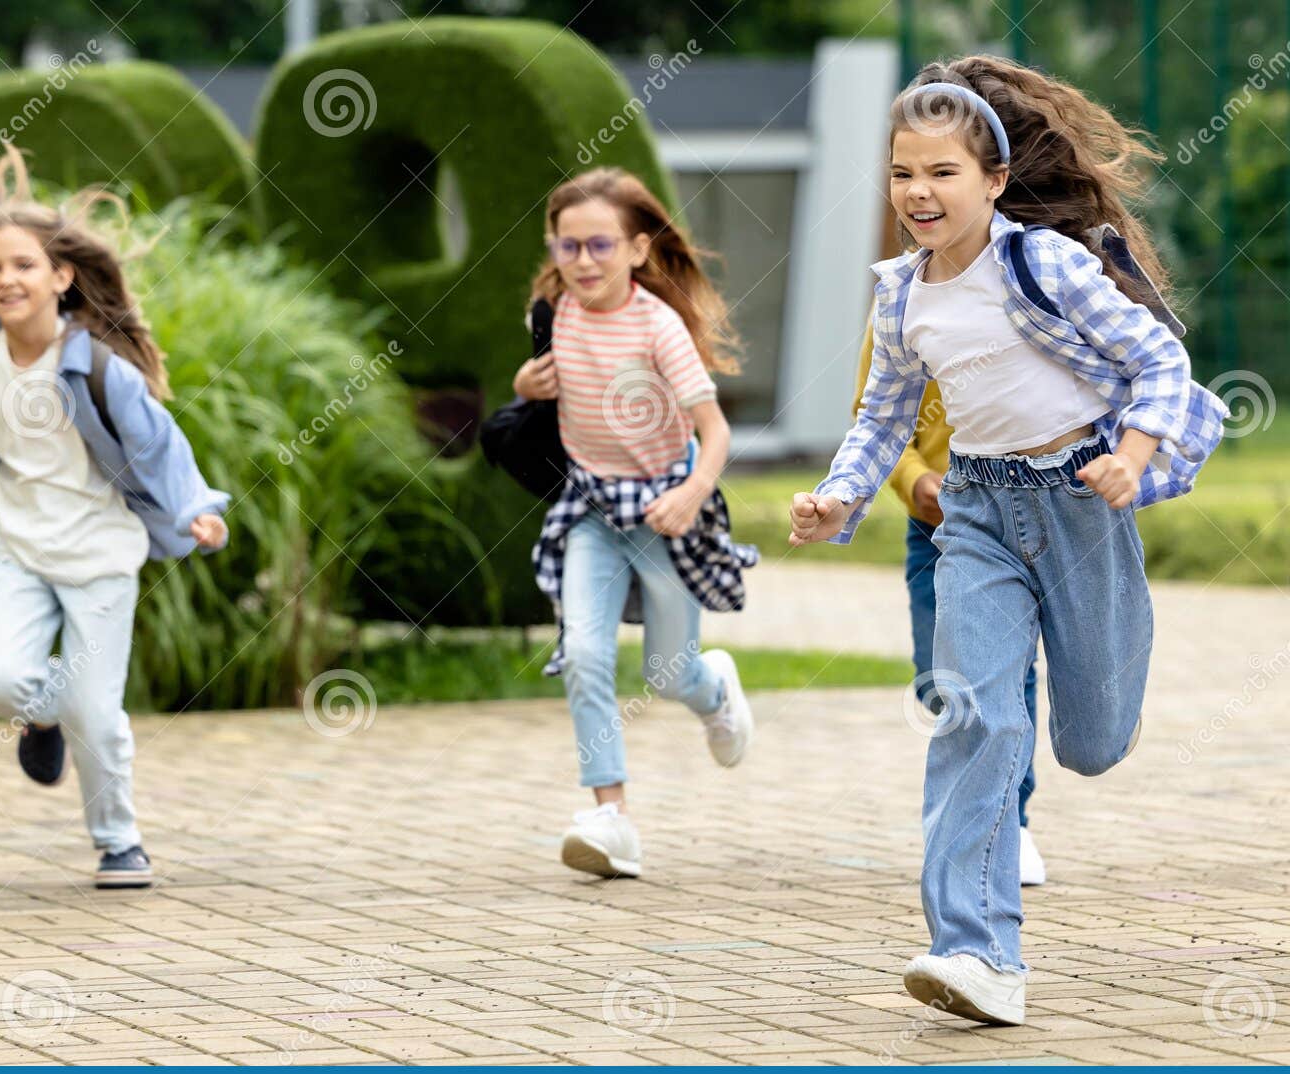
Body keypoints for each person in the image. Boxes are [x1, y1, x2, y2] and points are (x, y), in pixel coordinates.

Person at [789, 58, 1225, 1024]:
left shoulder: (1049, 264)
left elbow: (1160, 358)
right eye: (904, 173)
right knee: (975, 715)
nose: (919, 192)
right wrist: (838, 498)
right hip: (977, 513)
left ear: (992, 182)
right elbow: (882, 416)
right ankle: (977, 953)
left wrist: (1134, 454)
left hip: (1076, 501)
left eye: (943, 172)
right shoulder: (901, 295)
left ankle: (1094, 711)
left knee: (1096, 739)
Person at [0, 147, 230, 890]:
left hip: (100, 557)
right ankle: (44, 715)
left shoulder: (94, 366)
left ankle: (118, 841)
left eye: (23, 265)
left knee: (100, 712)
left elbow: (159, 445)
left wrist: (195, 511)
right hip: (21, 553)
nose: (5, 280)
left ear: (60, 276)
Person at [517, 168, 758, 880]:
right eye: (568, 246)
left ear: (638, 250)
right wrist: (524, 385)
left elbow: (714, 432)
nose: (583, 261)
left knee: (669, 672)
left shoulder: (658, 327)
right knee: (585, 655)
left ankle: (714, 690)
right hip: (592, 510)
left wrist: (692, 492)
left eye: (599, 245)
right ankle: (610, 818)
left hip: (664, 511)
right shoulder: (552, 309)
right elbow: (541, 386)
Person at [847, 324, 1046, 886]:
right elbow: (874, 414)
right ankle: (990, 815)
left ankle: (1010, 821)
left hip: (1021, 505)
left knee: (1007, 668)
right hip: (935, 520)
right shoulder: (901, 304)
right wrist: (914, 482)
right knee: (939, 683)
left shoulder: (1026, 280)